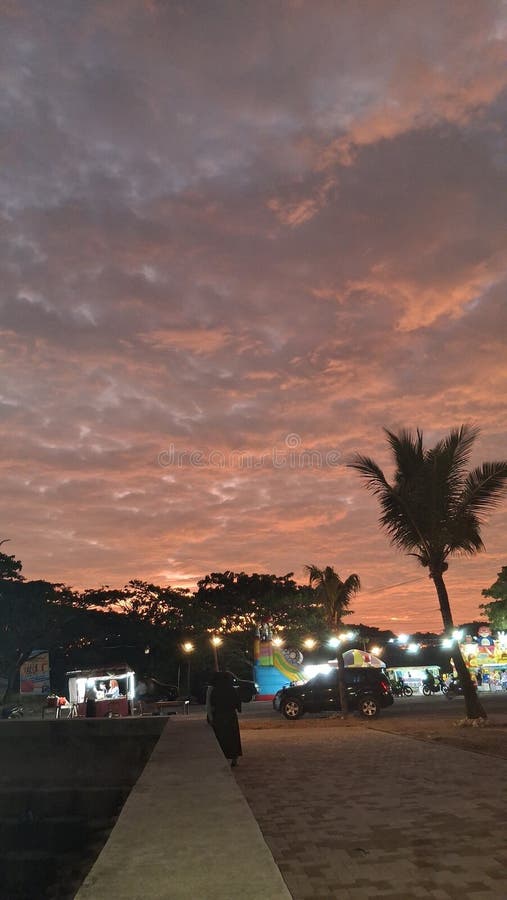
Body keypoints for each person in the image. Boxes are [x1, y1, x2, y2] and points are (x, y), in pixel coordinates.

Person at [208, 671, 242, 767]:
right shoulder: (232, 689)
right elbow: (237, 702)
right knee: (233, 737)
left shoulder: (214, 690)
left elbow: (211, 705)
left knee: (222, 738)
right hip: (231, 716)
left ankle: (224, 757)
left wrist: (211, 718)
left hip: (219, 716)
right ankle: (234, 758)